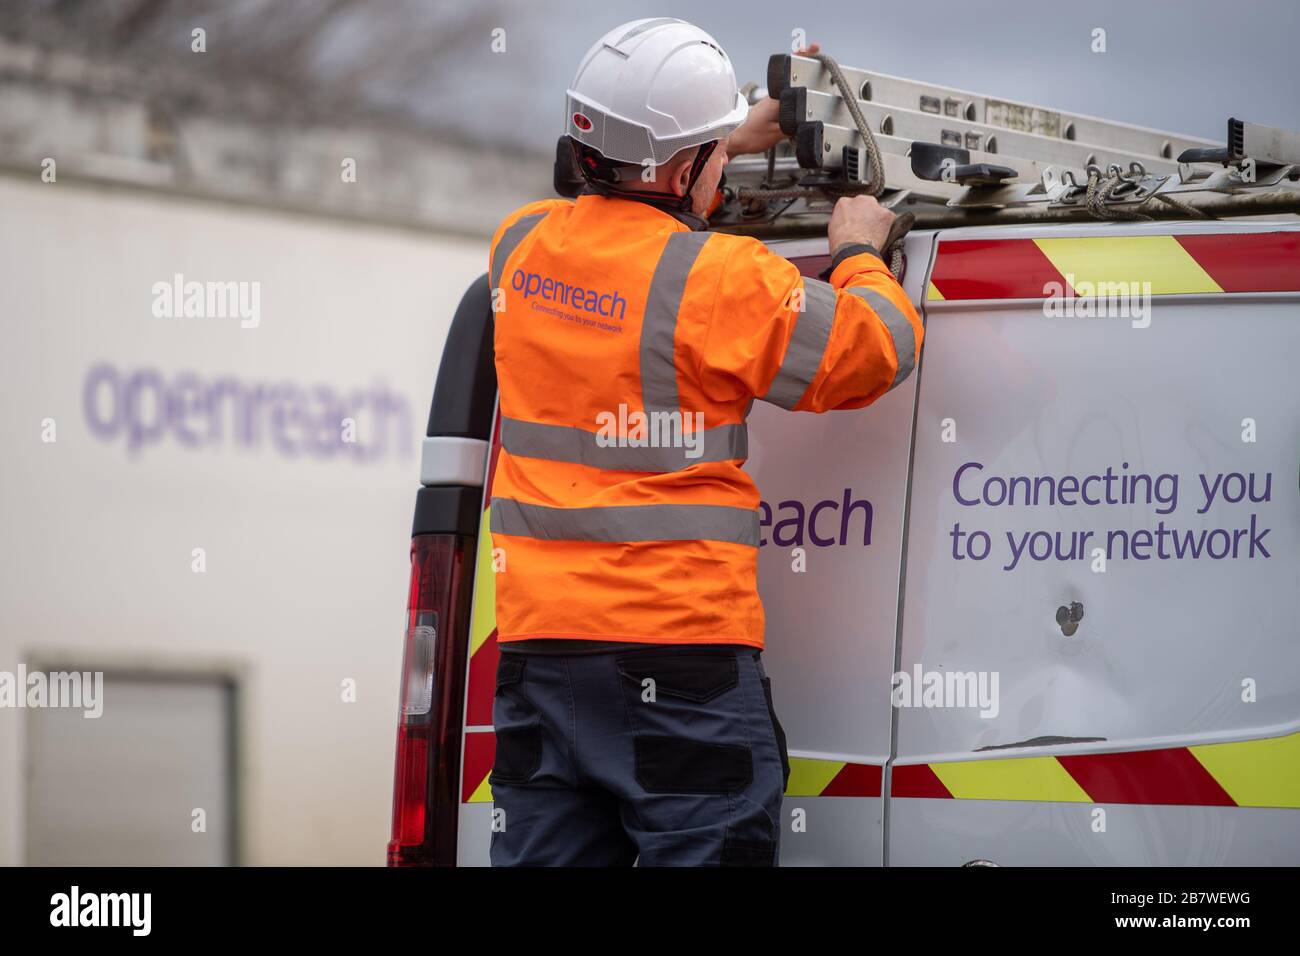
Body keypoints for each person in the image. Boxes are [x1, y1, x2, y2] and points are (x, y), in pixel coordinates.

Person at [485, 18, 922, 866]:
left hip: (539, 658)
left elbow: (607, 216)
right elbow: (876, 352)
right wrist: (859, 254)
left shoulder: (516, 248)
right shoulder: (723, 279)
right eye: (713, 152)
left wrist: (720, 138)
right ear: (688, 167)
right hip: (676, 665)